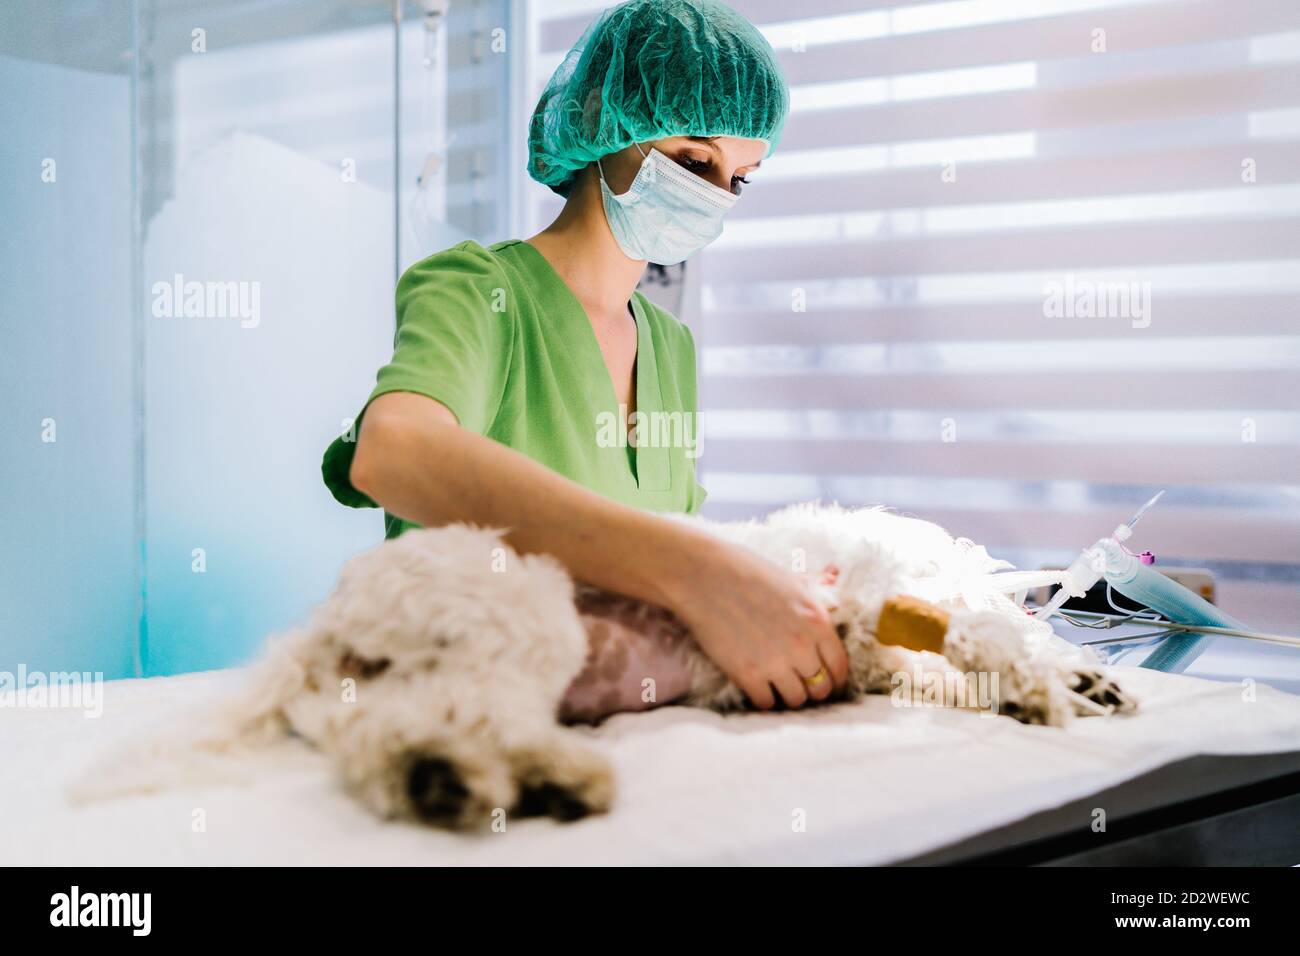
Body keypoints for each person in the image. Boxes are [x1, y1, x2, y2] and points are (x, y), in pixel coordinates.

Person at [321, 0, 847, 716]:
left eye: (740, 177)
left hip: (625, 729)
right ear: (607, 119)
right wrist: (696, 570)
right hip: (466, 716)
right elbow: (392, 453)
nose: (717, 196)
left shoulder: (669, 346)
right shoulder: (479, 291)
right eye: (695, 159)